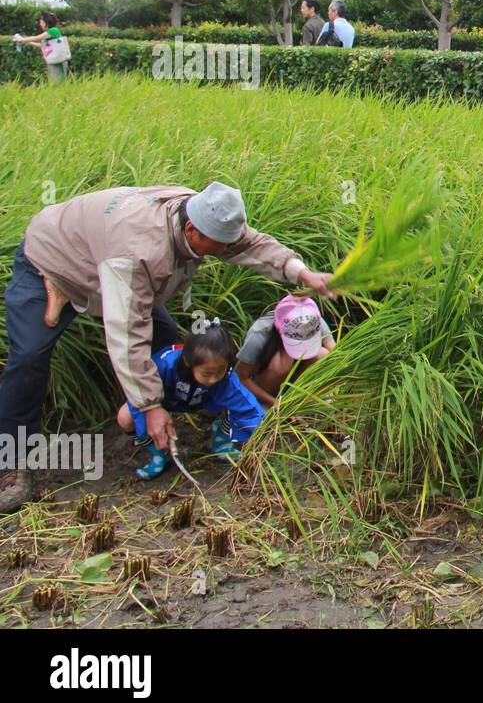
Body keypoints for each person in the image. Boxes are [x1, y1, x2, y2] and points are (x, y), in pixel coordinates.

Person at [0, 182, 335, 512]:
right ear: (192, 230)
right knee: (29, 358)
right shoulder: (136, 254)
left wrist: (302, 273)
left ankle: (169, 428)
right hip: (53, 261)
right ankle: (12, 463)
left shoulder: (202, 209)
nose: (226, 251)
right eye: (220, 246)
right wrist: (149, 404)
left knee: (170, 352)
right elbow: (127, 335)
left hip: (105, 262)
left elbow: (249, 244)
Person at [113, 319, 265, 479]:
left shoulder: (225, 378)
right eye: (206, 374)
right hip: (160, 402)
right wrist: (150, 429)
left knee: (236, 404)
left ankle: (222, 439)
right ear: (187, 361)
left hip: (204, 400)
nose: (213, 379)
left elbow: (247, 408)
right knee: (126, 418)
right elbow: (139, 394)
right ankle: (159, 452)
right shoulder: (163, 366)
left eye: (220, 371)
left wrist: (262, 434)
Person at [236, 295, 335, 408]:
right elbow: (241, 376)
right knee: (280, 363)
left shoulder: (311, 320)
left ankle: (304, 400)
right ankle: (266, 406)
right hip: (267, 384)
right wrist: (275, 402)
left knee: (323, 355)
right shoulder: (260, 333)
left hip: (296, 377)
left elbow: (335, 355)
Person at [13, 12, 71, 81]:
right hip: (54, 61)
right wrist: (26, 41)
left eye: (41, 22)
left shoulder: (53, 30)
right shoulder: (50, 33)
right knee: (55, 82)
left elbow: (36, 38)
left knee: (58, 83)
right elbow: (42, 46)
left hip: (58, 62)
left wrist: (21, 39)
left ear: (46, 22)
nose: (40, 24)